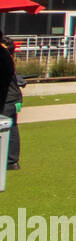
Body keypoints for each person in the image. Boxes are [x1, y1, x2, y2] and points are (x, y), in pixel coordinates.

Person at [0, 35, 21, 171]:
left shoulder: (3, 55)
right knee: (10, 127)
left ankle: (10, 160)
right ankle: (11, 161)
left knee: (8, 128)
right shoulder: (6, 55)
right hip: (11, 97)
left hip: (7, 98)